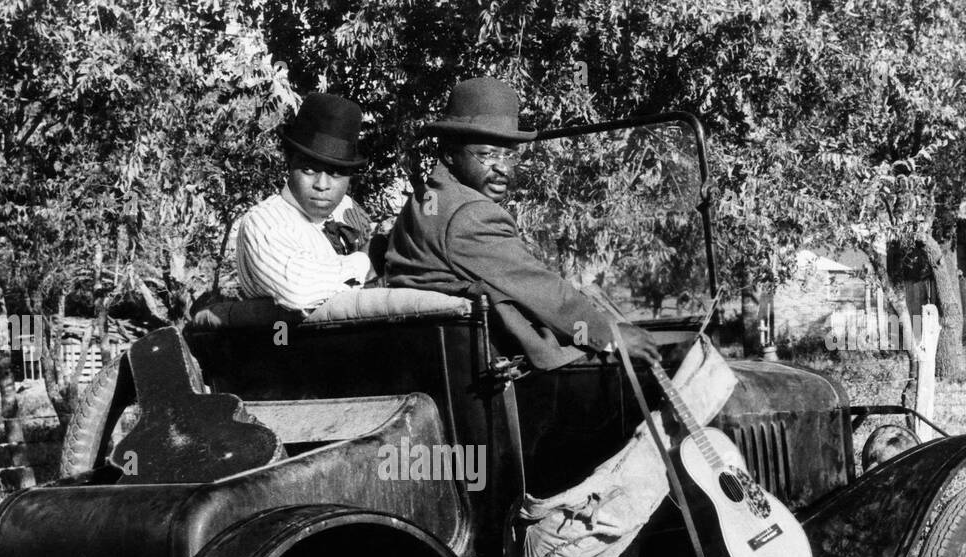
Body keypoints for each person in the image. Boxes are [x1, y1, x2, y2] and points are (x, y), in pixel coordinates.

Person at [385, 77, 660, 369]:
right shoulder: (470, 214)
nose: (503, 168)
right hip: (471, 362)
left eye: (509, 155)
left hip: (434, 354)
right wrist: (610, 335)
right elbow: (539, 289)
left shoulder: (426, 199)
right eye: (488, 155)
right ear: (449, 154)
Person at [235, 93, 376, 312]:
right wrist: (366, 259)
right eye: (309, 169)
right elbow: (299, 290)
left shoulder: (347, 209)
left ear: (350, 176)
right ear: (289, 163)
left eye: (336, 174)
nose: (322, 184)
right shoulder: (264, 222)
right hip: (285, 341)